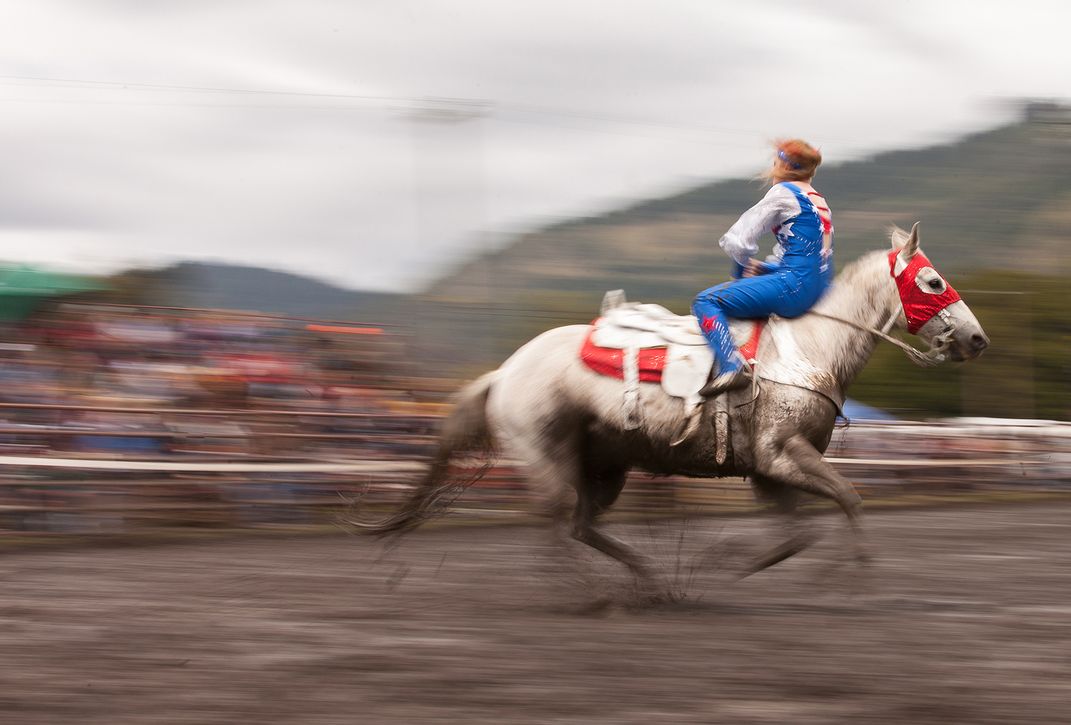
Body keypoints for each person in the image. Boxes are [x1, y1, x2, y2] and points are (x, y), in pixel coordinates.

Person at [692, 139, 833, 396]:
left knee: (706, 301)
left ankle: (731, 365)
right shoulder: (818, 199)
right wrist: (766, 269)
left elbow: (740, 240)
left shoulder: (783, 193)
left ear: (784, 166)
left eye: (775, 161)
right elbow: (810, 255)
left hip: (794, 288)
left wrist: (740, 270)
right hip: (819, 287)